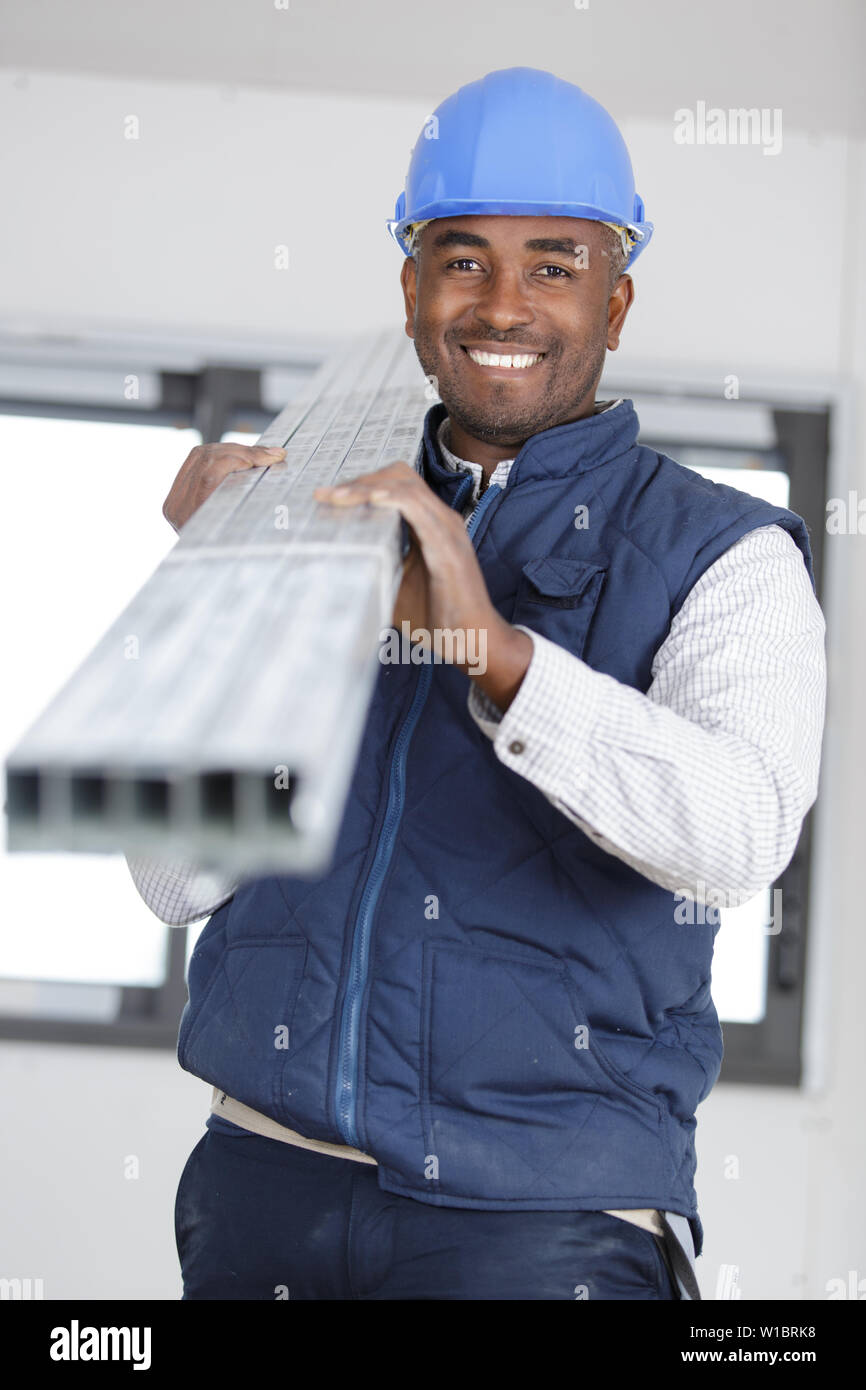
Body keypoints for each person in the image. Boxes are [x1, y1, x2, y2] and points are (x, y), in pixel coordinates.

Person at [129, 67, 826, 1301]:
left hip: (539, 1224)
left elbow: (738, 837)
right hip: (260, 1191)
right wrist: (228, 594)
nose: (503, 302)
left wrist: (497, 656)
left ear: (616, 301)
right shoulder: (313, 516)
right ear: (410, 292)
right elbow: (173, 879)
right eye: (462, 260)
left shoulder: (726, 555)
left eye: (553, 265)